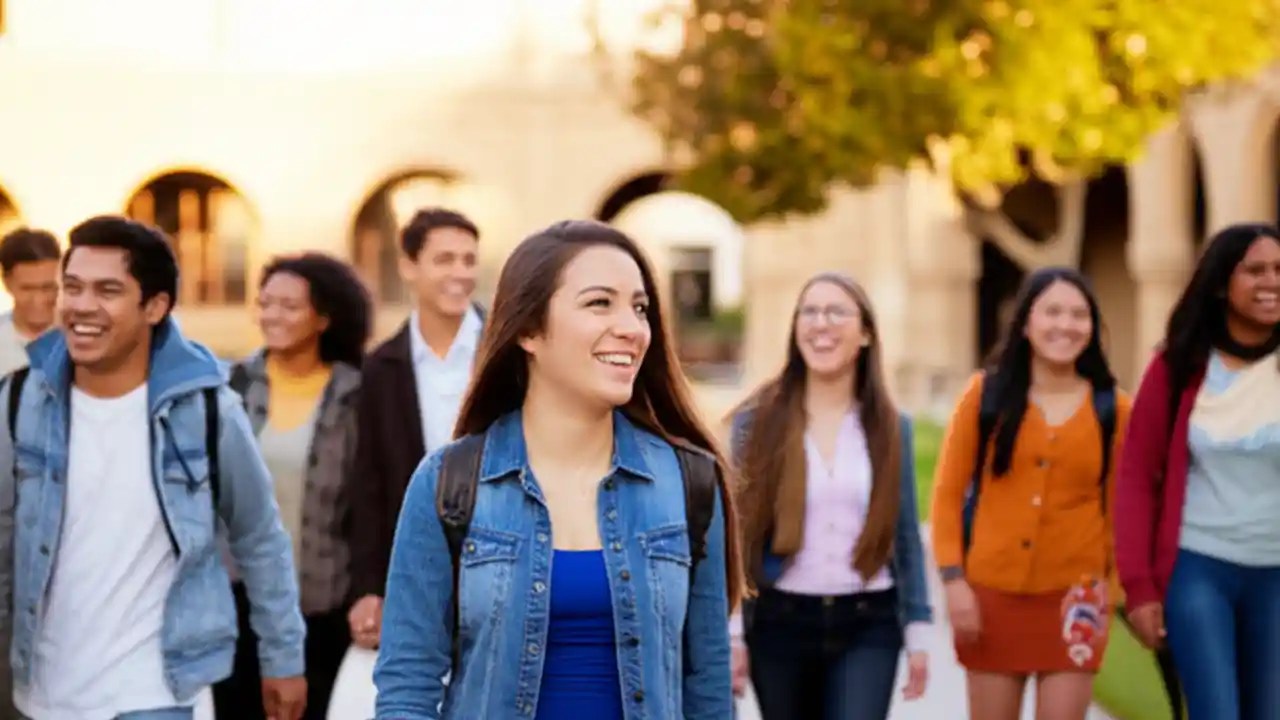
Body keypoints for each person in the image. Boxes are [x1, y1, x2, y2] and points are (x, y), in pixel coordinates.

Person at [372, 220, 742, 719]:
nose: (632, 328)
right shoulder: (448, 482)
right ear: (529, 330)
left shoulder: (690, 482)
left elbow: (710, 691)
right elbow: (407, 685)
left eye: (639, 308)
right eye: (599, 303)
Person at [0, 216, 307, 720]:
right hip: (44, 693)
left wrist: (283, 656)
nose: (81, 306)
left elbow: (259, 537)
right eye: (72, 287)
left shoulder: (207, 410)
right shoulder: (19, 402)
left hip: (159, 694)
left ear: (155, 306)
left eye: (107, 291)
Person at [727, 272, 932, 720]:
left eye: (837, 312)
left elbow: (905, 535)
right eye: (810, 312)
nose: (821, 323)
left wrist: (918, 631)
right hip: (779, 623)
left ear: (865, 333)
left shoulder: (890, 427)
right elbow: (736, 536)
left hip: (868, 620)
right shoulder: (755, 423)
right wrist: (734, 633)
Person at [930, 267, 1130, 720]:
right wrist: (954, 581)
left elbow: (1121, 509)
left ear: (1093, 327)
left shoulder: (1114, 408)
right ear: (1025, 323)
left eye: (1079, 315)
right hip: (991, 598)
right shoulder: (984, 396)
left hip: (1076, 605)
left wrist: (1112, 591)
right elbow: (947, 495)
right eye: (1052, 312)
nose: (1066, 325)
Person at [1115, 222, 1280, 720]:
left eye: (1279, 270)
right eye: (1255, 270)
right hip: (1199, 568)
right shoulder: (1178, 367)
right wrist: (1139, 587)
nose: (1272, 281)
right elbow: (1136, 477)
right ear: (1220, 284)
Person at [214, 253, 373, 720]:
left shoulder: (358, 395)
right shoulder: (231, 387)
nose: (272, 316)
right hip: (237, 602)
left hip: (321, 603)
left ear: (323, 318)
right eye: (265, 304)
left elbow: (371, 504)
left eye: (289, 306)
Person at [348, 208, 484, 649]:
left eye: (469, 260)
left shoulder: (510, 352)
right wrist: (369, 588)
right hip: (418, 569)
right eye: (444, 260)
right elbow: (368, 484)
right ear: (409, 266)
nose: (460, 273)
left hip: (505, 559)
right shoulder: (381, 367)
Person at [0, 227, 60, 376]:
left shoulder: (85, 340)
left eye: (48, 287)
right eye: (27, 289)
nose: (39, 299)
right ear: (7, 283)